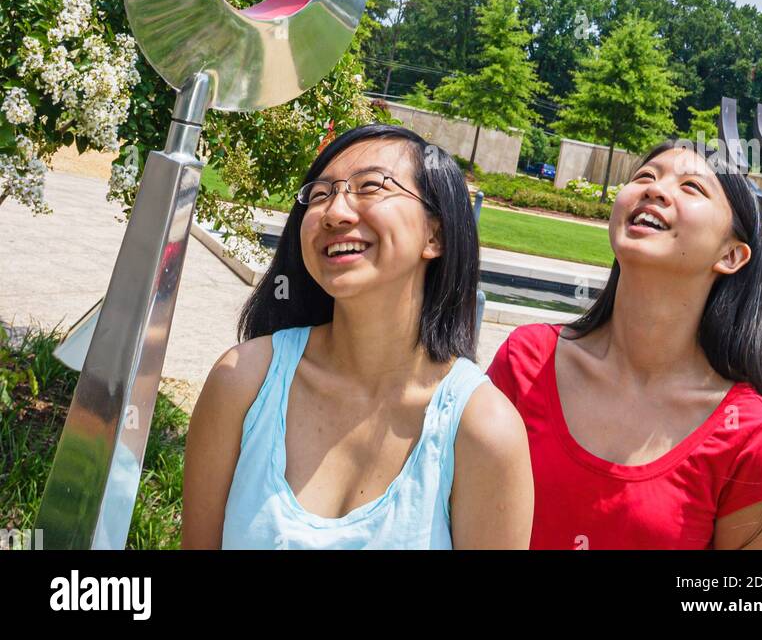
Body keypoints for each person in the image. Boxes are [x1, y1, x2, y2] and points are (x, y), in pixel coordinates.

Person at [182, 123, 533, 549]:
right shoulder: (243, 381)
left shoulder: (482, 431)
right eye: (319, 195)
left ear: (435, 234)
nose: (335, 213)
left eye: (370, 187)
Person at [486, 138, 762, 550]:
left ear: (732, 255)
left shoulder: (750, 437)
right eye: (644, 177)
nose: (654, 189)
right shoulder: (526, 360)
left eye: (691, 187)